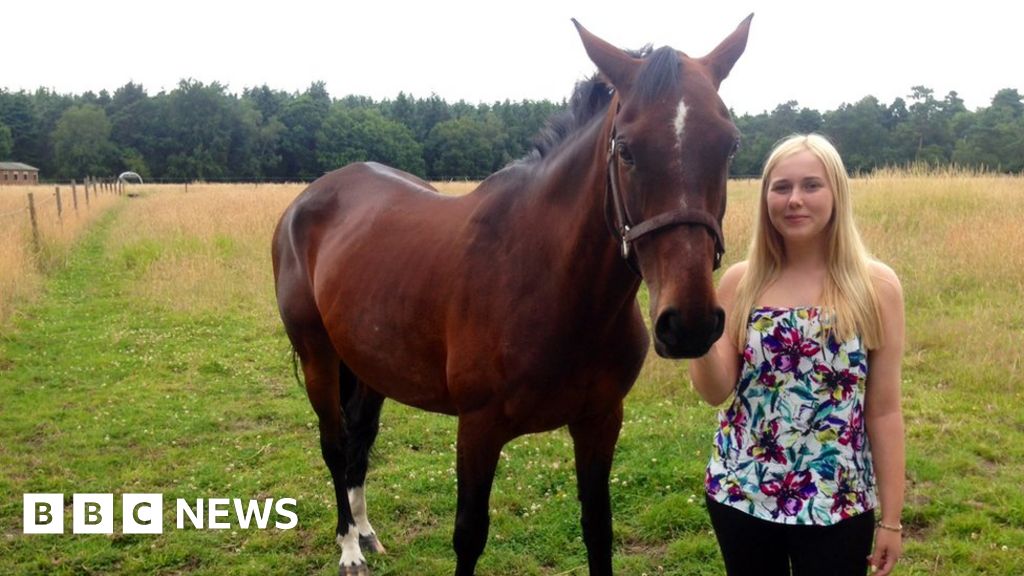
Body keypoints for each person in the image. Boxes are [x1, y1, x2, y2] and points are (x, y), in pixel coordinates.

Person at [689, 134, 906, 576]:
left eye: (811, 185)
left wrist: (892, 520)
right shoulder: (739, 283)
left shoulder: (876, 287)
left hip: (837, 500)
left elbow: (883, 411)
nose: (794, 200)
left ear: (836, 193)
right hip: (741, 492)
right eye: (781, 187)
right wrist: (699, 339)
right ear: (765, 195)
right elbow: (716, 392)